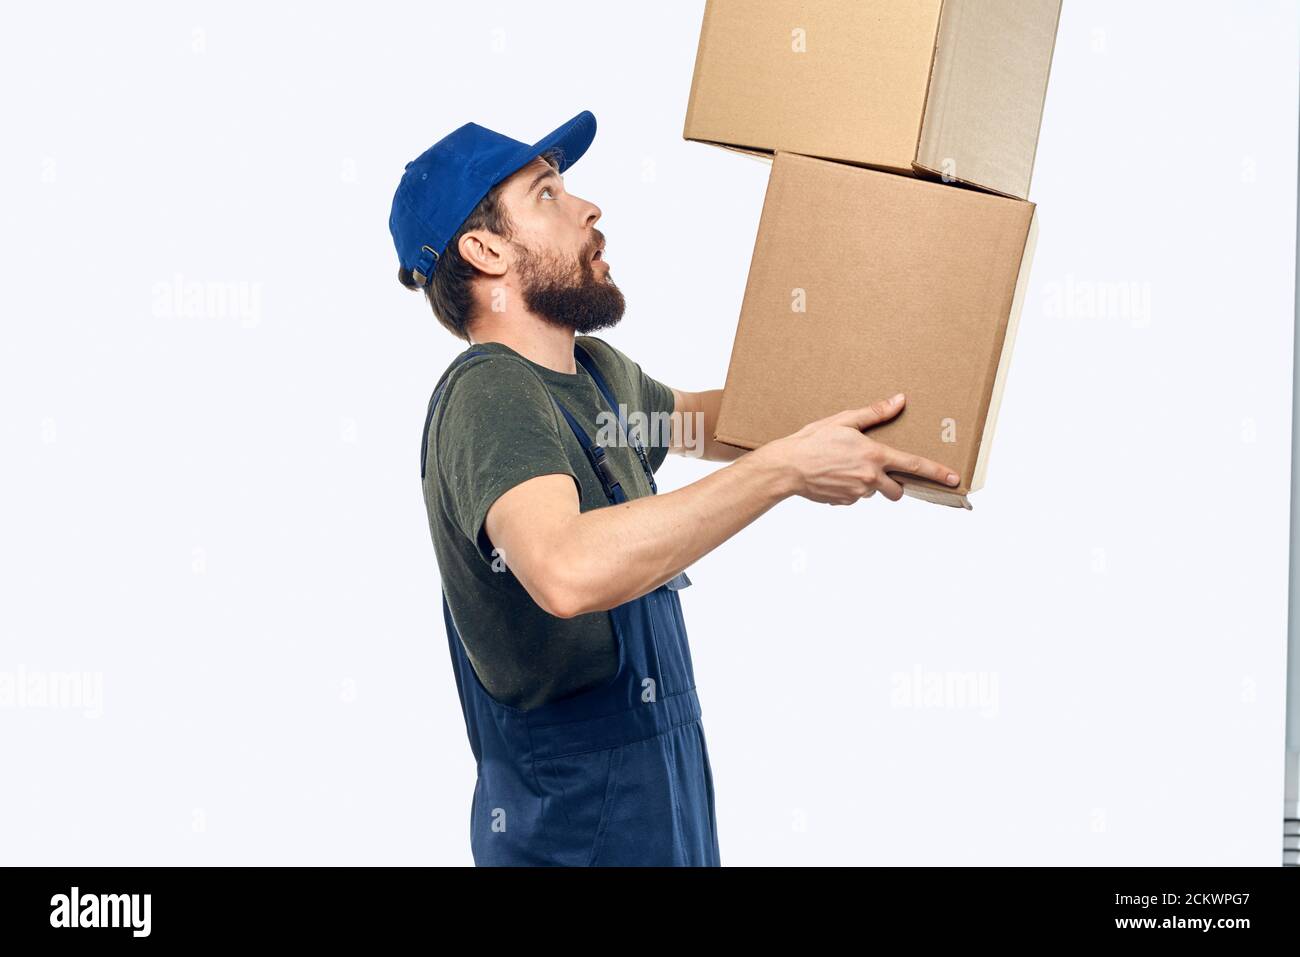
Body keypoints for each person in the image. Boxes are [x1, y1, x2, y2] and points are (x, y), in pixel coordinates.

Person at [389, 110, 962, 866]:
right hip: (573, 836)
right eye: (549, 194)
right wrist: (786, 469)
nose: (590, 208)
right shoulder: (489, 395)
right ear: (485, 248)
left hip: (667, 809)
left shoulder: (598, 379)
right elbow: (566, 569)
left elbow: (720, 423)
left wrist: (870, 285)